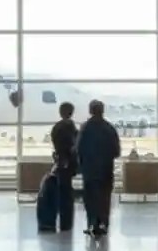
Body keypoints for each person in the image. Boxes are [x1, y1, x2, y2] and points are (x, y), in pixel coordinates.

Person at [76, 100, 120, 237]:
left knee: (90, 199)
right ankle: (103, 224)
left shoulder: (85, 128)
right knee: (105, 197)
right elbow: (116, 151)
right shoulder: (109, 128)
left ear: (90, 111)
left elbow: (79, 148)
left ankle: (92, 223)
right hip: (106, 169)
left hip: (90, 170)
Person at [50, 101, 79, 226]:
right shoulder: (72, 128)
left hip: (61, 161)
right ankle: (67, 217)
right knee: (66, 190)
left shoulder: (58, 127)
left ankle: (63, 216)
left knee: (63, 189)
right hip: (69, 162)